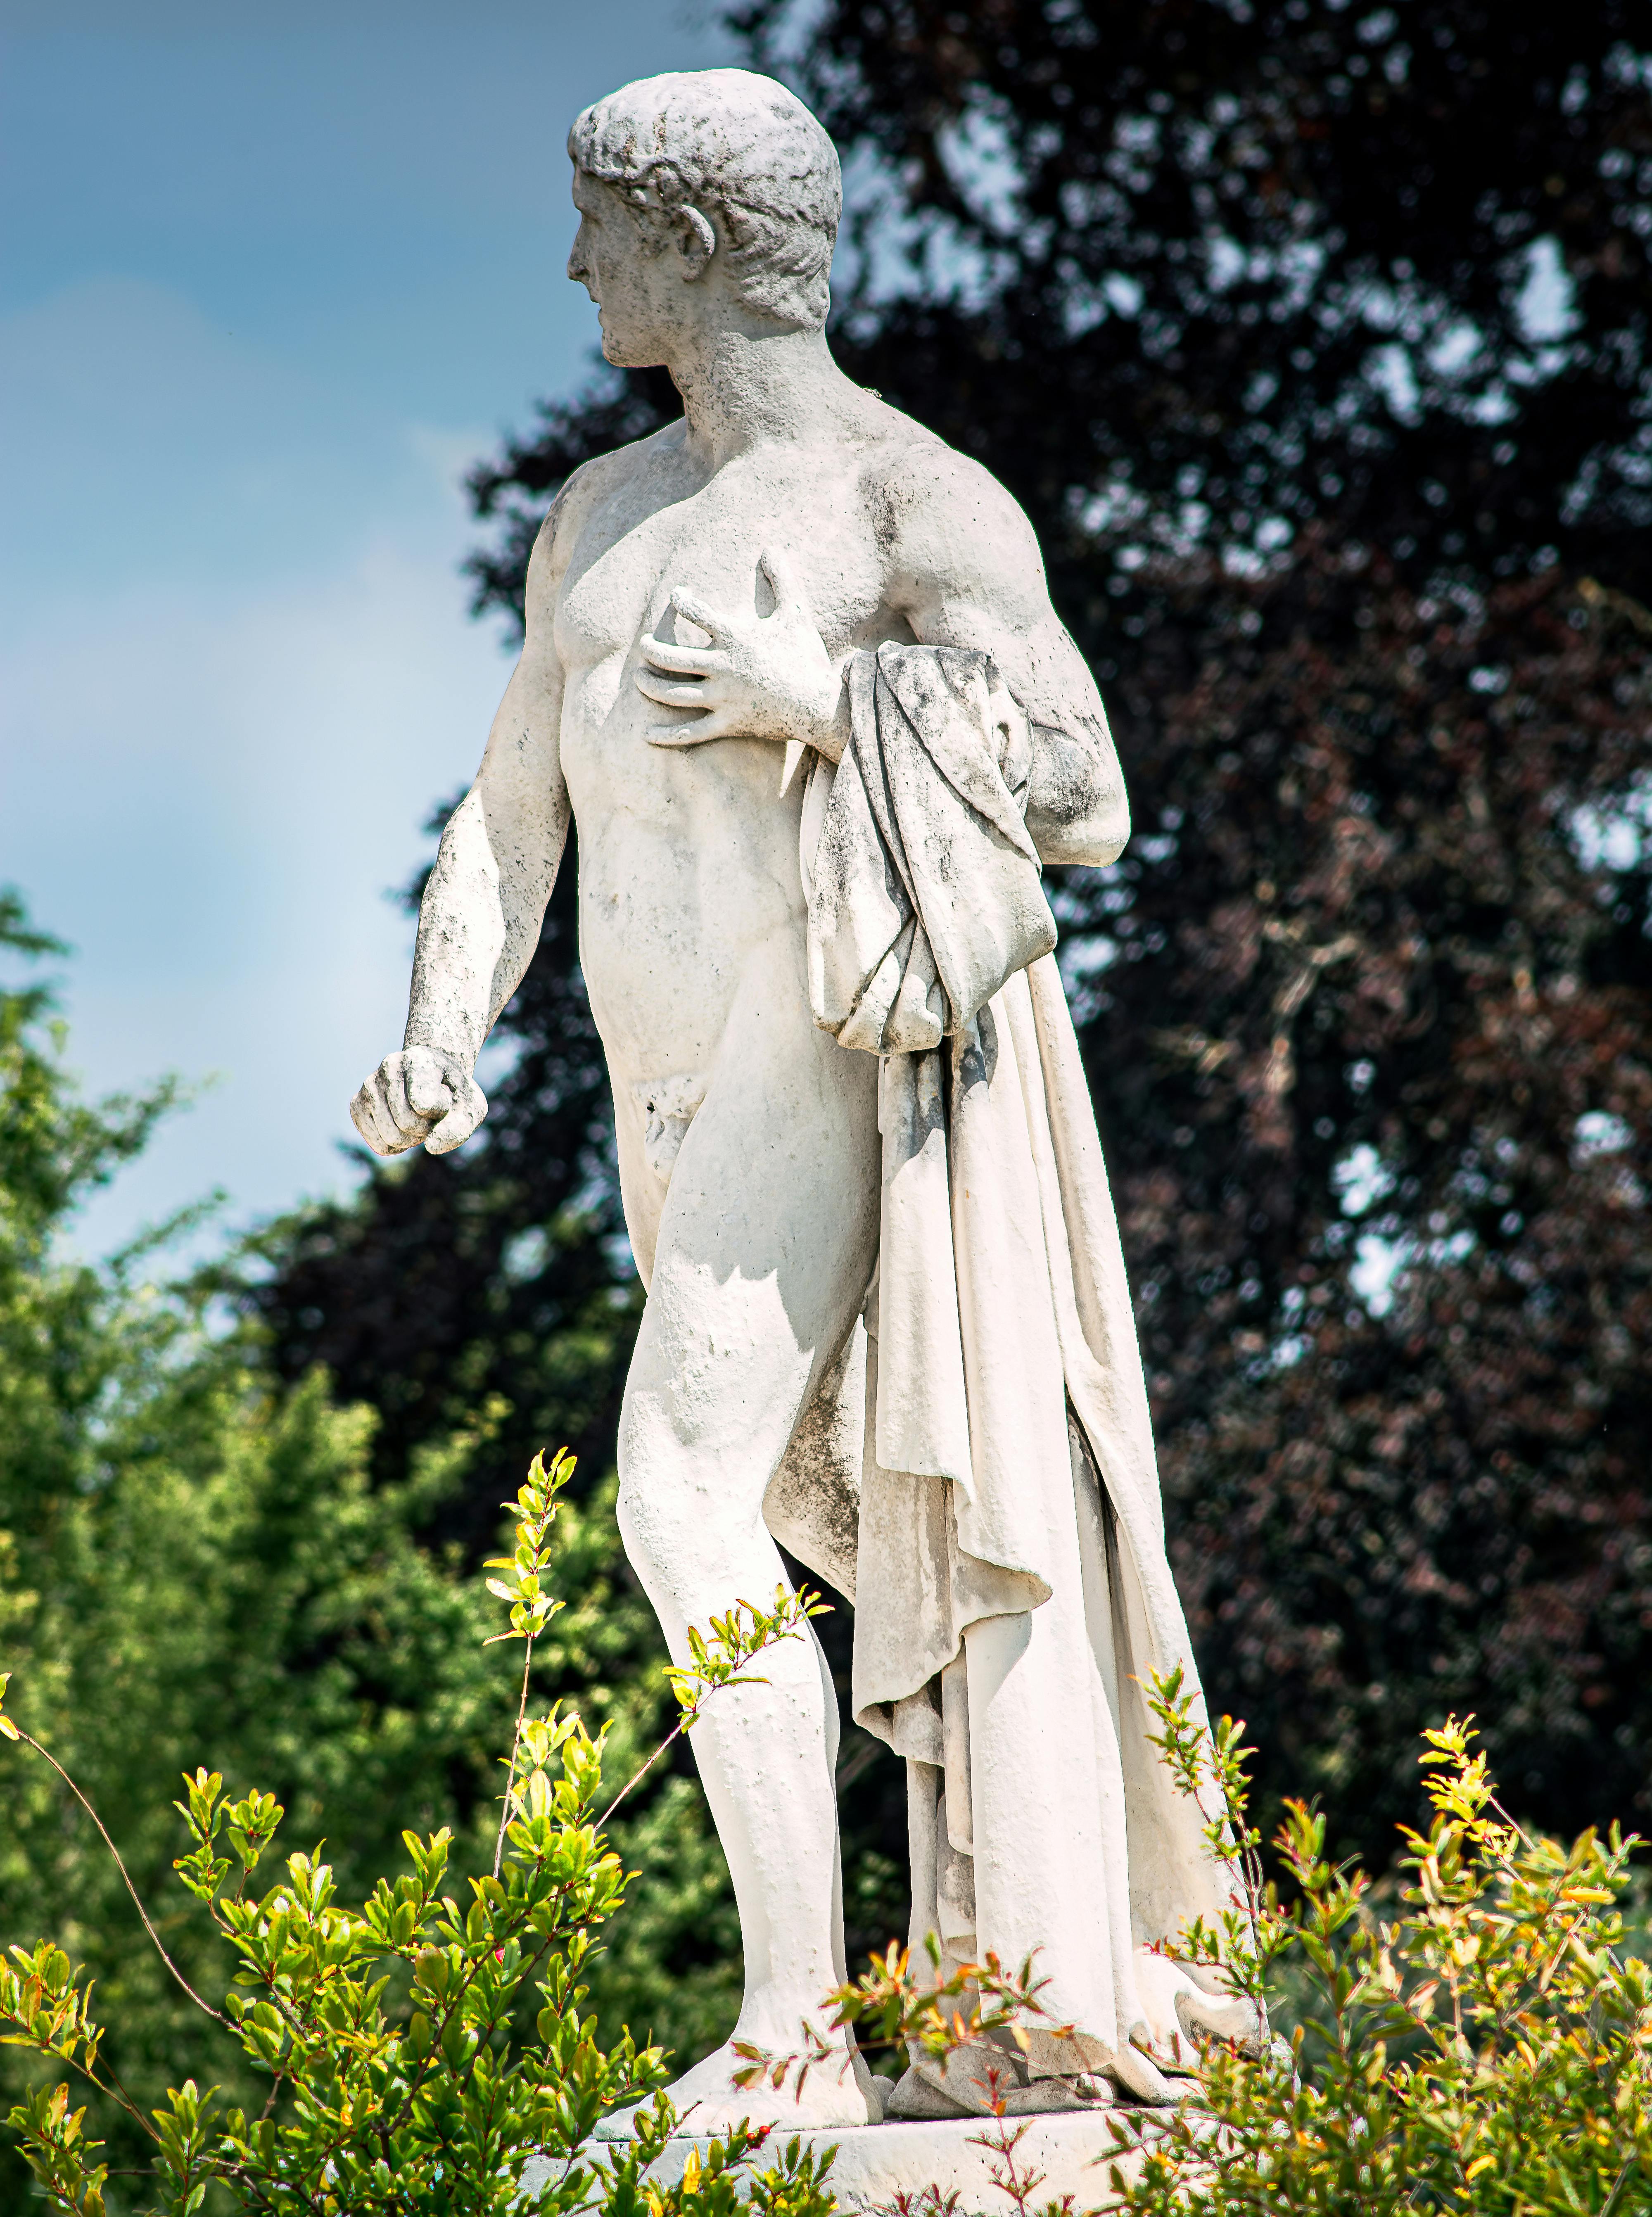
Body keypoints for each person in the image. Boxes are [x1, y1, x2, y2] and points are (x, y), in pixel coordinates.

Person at [351, 68, 1237, 2135]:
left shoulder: (909, 504)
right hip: (654, 1109)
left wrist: (819, 700)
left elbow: (1086, 798)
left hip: (821, 1061)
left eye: (603, 226)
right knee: (758, 1511)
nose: (575, 265)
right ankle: (932, 1990)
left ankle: (791, 2032)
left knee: (674, 1484)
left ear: (703, 242)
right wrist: (443, 1021)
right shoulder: (602, 514)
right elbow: (503, 820)